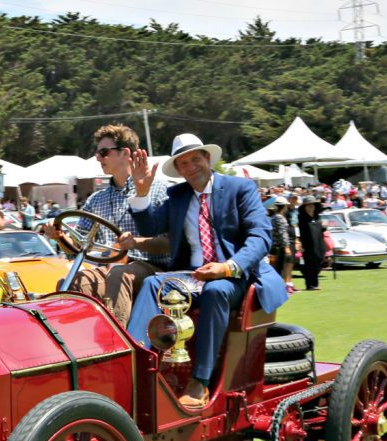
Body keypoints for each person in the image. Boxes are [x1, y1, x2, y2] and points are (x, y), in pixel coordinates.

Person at [123, 133, 288, 408]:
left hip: (235, 275)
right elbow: (149, 227)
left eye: (195, 159)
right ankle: (133, 365)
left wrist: (226, 267)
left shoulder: (240, 188)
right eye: (183, 163)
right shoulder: (177, 196)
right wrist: (141, 192)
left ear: (208, 159)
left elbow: (260, 237)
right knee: (154, 284)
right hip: (191, 276)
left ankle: (200, 382)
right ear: (178, 170)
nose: (191, 167)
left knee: (216, 289)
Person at [44, 123, 170, 326]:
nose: (98, 158)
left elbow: (169, 243)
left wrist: (136, 243)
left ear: (125, 153)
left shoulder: (157, 189)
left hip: (153, 267)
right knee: (68, 284)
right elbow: (79, 248)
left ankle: (117, 346)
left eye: (104, 152)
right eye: (98, 153)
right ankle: (78, 348)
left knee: (119, 275)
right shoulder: (96, 199)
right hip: (111, 269)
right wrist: (59, 236)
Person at [296, 195, 327, 290]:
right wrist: (299, 243)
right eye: (308, 205)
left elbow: (320, 230)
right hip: (307, 245)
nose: (310, 207)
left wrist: (324, 226)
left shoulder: (317, 218)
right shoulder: (301, 218)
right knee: (309, 265)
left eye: (312, 205)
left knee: (318, 263)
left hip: (319, 244)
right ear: (304, 207)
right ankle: (311, 285)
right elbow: (298, 232)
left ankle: (314, 283)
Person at [268, 196, 296, 293]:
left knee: (277, 268)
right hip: (278, 247)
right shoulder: (280, 218)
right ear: (284, 207)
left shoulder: (274, 217)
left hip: (274, 247)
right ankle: (278, 289)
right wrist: (287, 247)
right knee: (279, 268)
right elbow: (282, 233)